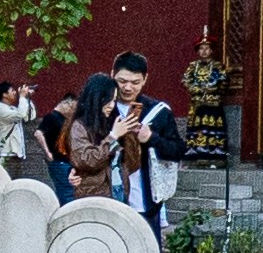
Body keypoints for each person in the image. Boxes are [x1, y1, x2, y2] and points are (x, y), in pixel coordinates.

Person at [69, 50, 190, 226]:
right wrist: (75, 171)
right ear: (112, 74)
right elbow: (84, 151)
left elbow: (178, 150)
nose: (127, 88)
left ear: (145, 79)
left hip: (145, 199)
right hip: (108, 196)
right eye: (122, 81)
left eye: (135, 82)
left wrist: (151, 138)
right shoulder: (102, 110)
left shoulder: (158, 111)